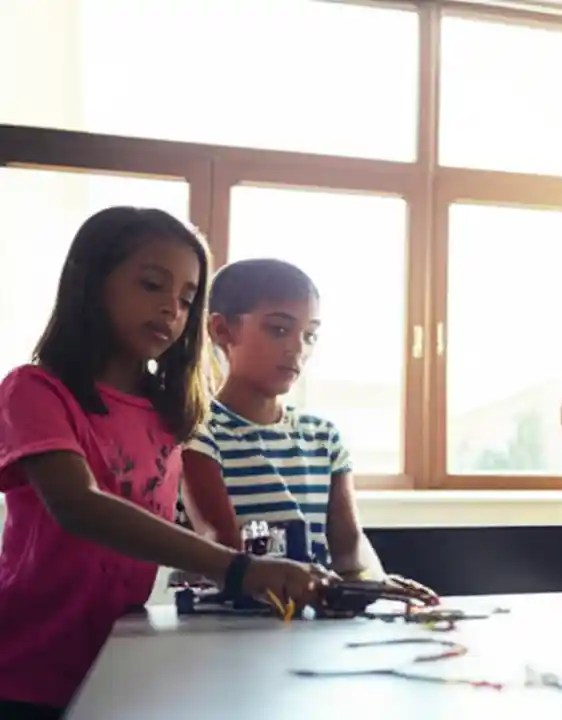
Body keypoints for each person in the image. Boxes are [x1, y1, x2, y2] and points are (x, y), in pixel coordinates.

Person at [0, 208, 326, 719]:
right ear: (91, 282)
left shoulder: (169, 413)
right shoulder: (34, 390)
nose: (172, 309)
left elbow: (163, 526)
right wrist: (239, 569)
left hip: (126, 651)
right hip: (29, 670)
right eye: (152, 285)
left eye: (187, 298)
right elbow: (78, 505)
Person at [182, 259, 383, 580]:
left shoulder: (323, 438)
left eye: (310, 335)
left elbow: (348, 552)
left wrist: (379, 588)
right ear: (221, 330)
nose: (297, 348)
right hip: (225, 624)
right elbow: (222, 547)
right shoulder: (198, 433)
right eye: (278, 329)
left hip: (314, 620)